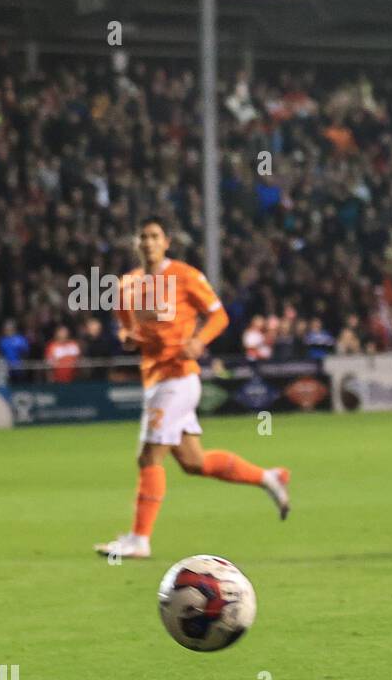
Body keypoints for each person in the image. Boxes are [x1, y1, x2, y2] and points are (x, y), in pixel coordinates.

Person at [93, 217, 291, 560]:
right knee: (193, 461)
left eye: (155, 236)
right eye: (143, 236)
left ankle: (140, 539)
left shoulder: (185, 276)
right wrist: (128, 338)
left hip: (179, 377)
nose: (149, 242)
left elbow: (219, 315)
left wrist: (199, 340)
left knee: (149, 456)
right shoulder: (126, 285)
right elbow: (128, 331)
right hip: (154, 378)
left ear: (166, 241)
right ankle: (268, 477)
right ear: (136, 243)